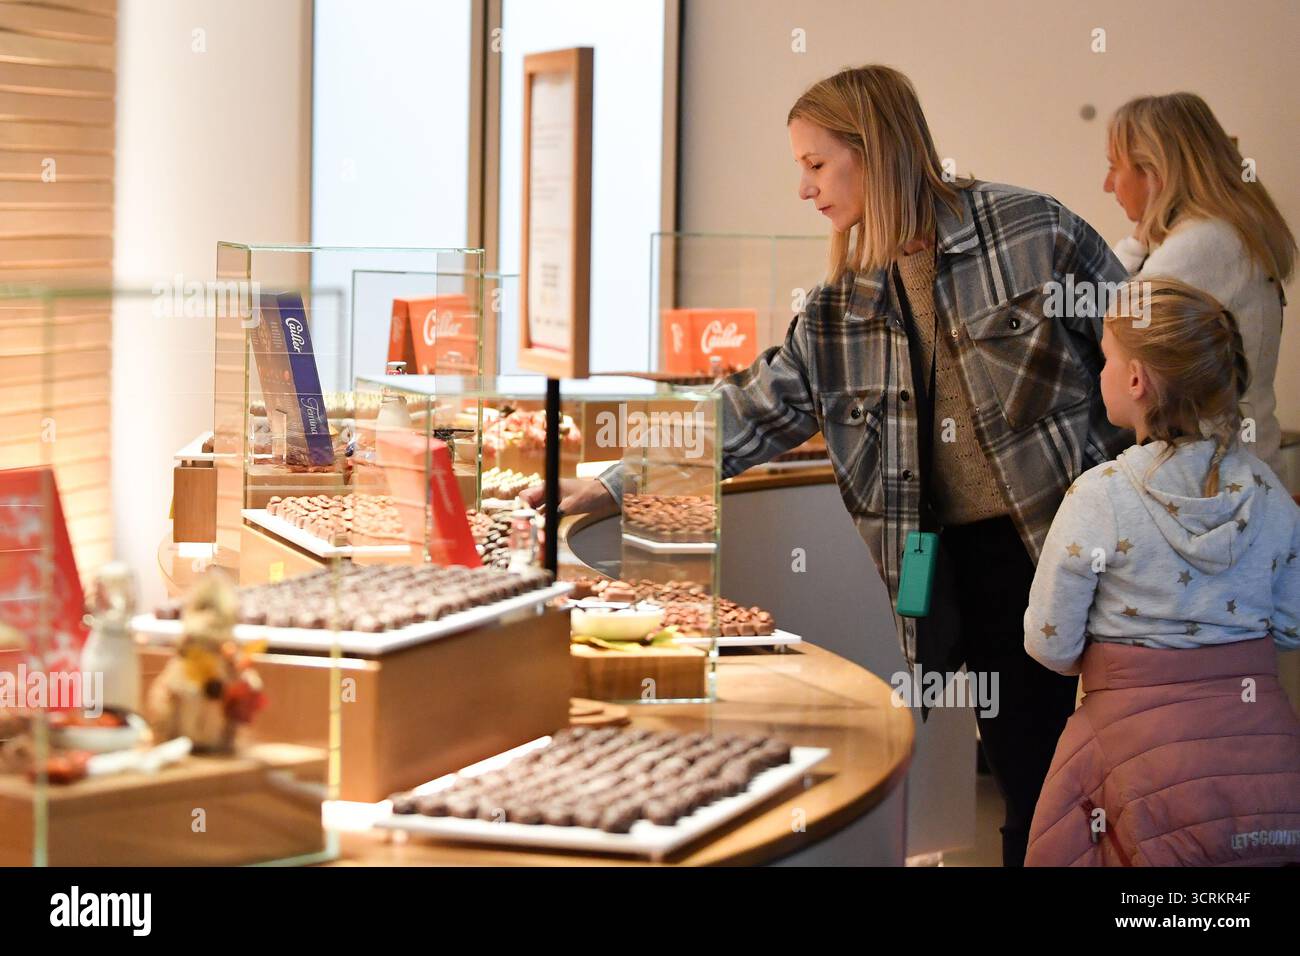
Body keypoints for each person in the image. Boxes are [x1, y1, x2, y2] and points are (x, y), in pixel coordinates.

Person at [527, 65, 1131, 866]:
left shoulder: (1032, 230)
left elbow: (1150, 349)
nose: (804, 189)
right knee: (1033, 779)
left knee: (1120, 776)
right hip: (968, 569)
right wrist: (606, 484)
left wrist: (1175, 491)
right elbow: (746, 411)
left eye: (815, 164)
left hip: (1087, 548)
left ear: (874, 151)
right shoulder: (841, 301)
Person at [1023, 278, 1300, 866]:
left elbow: (1048, 640)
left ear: (1136, 380)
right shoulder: (1270, 493)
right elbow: (1294, 626)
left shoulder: (1099, 496)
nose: (1099, 373)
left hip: (1132, 757)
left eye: (1106, 359)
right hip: (1265, 759)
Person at [1104, 92, 1296, 474]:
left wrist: (1134, 243)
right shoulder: (1230, 233)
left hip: (1215, 479)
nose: (1108, 185)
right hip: (1244, 470)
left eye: (1114, 167)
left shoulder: (1202, 244)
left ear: (1152, 172)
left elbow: (1110, 328)